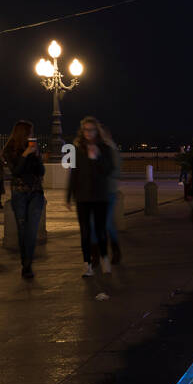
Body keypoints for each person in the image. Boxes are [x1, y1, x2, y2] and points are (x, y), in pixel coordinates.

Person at [66, 116, 116, 276]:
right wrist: (68, 196)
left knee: (101, 230)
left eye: (92, 129)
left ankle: (104, 258)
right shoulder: (76, 149)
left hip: (100, 196)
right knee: (85, 232)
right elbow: (73, 174)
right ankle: (87, 263)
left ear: (97, 131)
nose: (89, 132)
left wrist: (97, 158)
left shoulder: (105, 148)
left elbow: (109, 170)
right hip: (83, 197)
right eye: (86, 129)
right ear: (82, 131)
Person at [3, 121, 46, 279]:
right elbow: (16, 171)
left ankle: (28, 263)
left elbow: (41, 171)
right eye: (29, 132)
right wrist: (25, 154)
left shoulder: (34, 149)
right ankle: (25, 264)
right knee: (22, 230)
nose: (31, 135)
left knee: (32, 230)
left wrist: (37, 157)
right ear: (23, 133)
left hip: (36, 193)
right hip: (19, 194)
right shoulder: (9, 150)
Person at [99, 123, 122, 264]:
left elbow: (116, 171)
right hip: (99, 191)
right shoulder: (100, 149)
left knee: (107, 223)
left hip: (109, 191)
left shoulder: (111, 150)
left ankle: (115, 250)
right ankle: (102, 253)